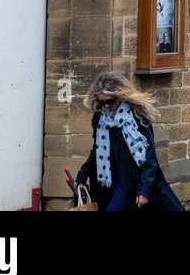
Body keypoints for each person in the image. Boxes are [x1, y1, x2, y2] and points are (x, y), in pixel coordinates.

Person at [75, 72, 184, 211]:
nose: (106, 106)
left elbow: (150, 158)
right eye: (102, 102)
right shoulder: (100, 118)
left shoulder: (138, 117)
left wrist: (144, 191)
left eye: (110, 101)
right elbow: (96, 151)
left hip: (132, 181)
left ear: (121, 96)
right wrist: (82, 176)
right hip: (107, 183)